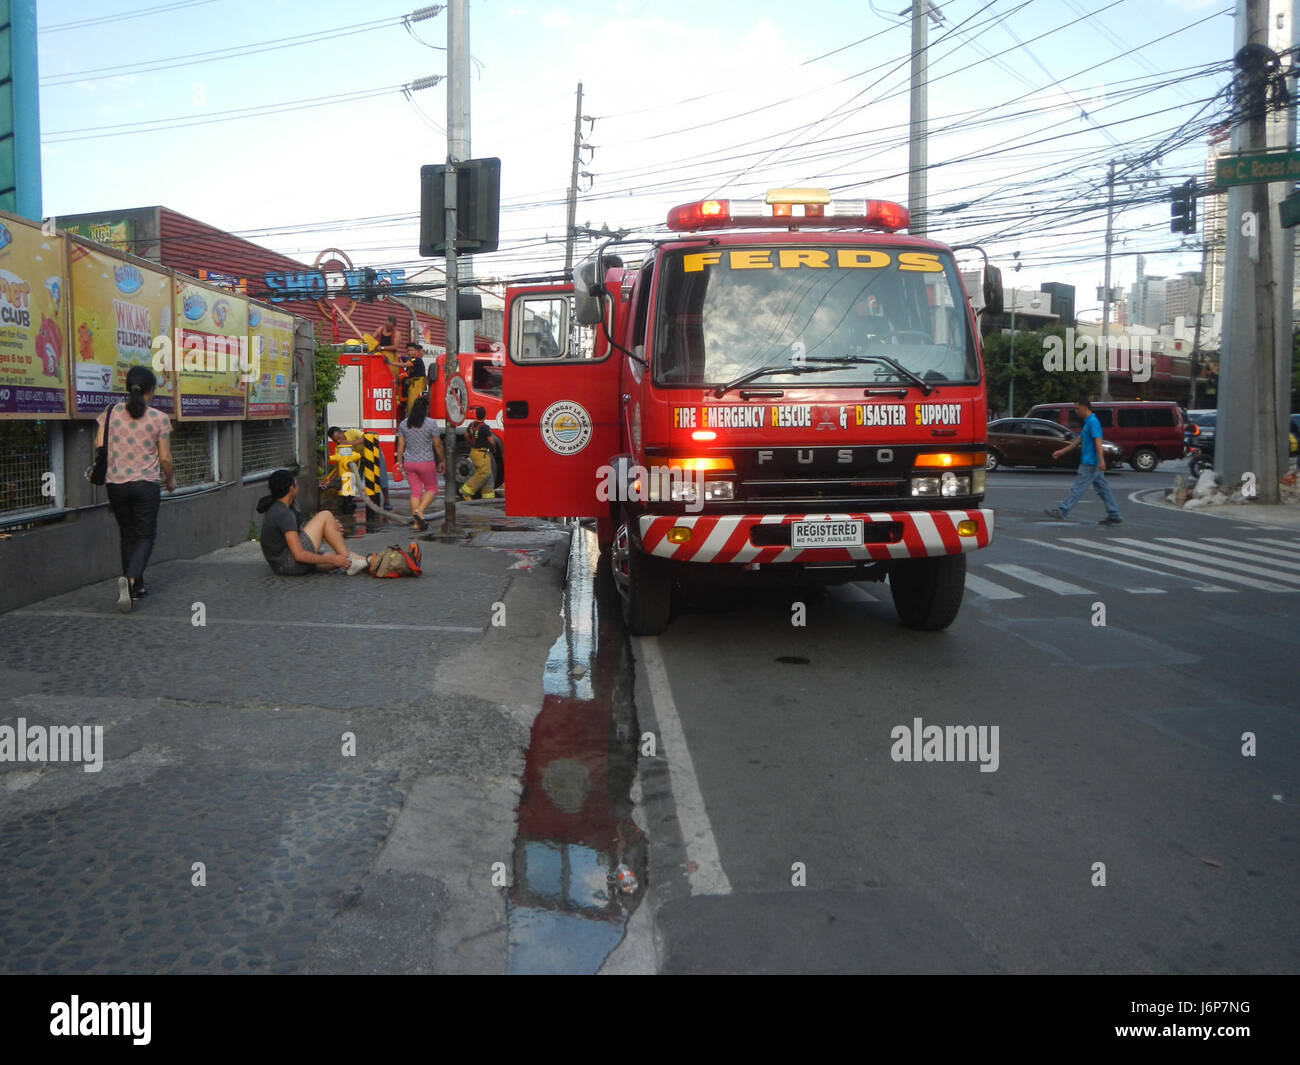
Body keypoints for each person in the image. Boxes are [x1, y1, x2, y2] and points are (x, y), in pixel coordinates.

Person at [96, 365, 174, 613]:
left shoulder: (109, 413)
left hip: (115, 484)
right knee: (145, 535)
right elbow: (165, 458)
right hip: (145, 485)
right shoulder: (159, 418)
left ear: (128, 387)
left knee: (127, 534)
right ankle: (130, 580)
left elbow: (99, 444)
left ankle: (135, 586)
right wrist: (169, 480)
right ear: (151, 390)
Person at [257, 469, 368, 575]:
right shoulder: (284, 514)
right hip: (289, 564)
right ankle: (351, 562)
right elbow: (299, 555)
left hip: (283, 564)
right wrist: (332, 559)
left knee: (344, 558)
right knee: (326, 515)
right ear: (291, 488)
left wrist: (330, 529)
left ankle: (364, 562)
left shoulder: (282, 507)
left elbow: (305, 532)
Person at [1045, 397, 1122, 524]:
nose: (1076, 411)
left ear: (1084, 407)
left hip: (1090, 462)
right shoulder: (1089, 422)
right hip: (1092, 462)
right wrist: (1062, 451)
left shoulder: (1093, 422)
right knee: (1103, 489)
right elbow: (1079, 441)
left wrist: (1101, 459)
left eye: (1077, 408)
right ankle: (1115, 514)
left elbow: (1098, 441)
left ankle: (1063, 511)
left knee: (1078, 487)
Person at [395, 394, 445, 532]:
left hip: (409, 463)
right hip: (426, 462)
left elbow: (400, 445)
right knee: (432, 488)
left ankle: (416, 524)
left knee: (415, 492)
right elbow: (437, 445)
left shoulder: (405, 424)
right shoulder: (431, 423)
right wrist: (442, 460)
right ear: (426, 409)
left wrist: (399, 461)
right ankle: (420, 511)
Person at [327, 425, 391, 510]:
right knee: (354, 478)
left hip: (373, 453)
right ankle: (350, 501)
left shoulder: (352, 432)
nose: (338, 441)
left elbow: (366, 438)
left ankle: (387, 500)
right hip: (359, 458)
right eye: (335, 440)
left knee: (381, 477)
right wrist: (329, 480)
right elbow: (340, 466)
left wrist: (349, 443)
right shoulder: (339, 448)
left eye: (339, 437)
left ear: (342, 433)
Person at [460, 406, 501, 501]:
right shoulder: (485, 427)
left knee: (489, 476)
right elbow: (491, 441)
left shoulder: (471, 425)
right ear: (485, 415)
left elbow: (466, 435)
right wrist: (493, 449)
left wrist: (470, 442)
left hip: (474, 452)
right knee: (483, 473)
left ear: (476, 414)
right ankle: (466, 490)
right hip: (481, 454)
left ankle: (488, 498)